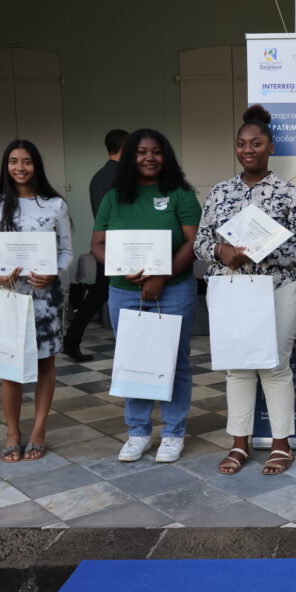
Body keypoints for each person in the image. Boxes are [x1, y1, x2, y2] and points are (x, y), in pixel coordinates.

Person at [195, 105, 296, 475]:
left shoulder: (288, 194)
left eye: (256, 143)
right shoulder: (219, 193)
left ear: (270, 148)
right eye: (241, 144)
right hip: (232, 291)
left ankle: (281, 445)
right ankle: (239, 444)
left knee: (275, 367)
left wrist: (266, 251)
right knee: (238, 368)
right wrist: (222, 251)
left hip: (276, 290)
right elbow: (200, 242)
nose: (248, 150)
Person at [91, 129, 201, 464]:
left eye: (156, 151)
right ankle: (138, 432)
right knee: (133, 361)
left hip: (174, 289)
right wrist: (121, 266)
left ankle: (173, 432)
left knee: (175, 361)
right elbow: (97, 245)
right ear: (129, 157)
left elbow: (194, 243)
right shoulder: (114, 197)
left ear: (166, 156)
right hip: (124, 292)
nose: (149, 158)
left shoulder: (180, 194)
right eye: (141, 152)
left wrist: (161, 276)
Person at [0, 140, 72, 462]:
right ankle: (13, 433)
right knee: (9, 366)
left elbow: (66, 251)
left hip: (46, 299)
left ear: (36, 165)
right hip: (9, 297)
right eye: (14, 161)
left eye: (27, 161)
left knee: (45, 363)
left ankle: (39, 431)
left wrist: (54, 273)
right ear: (6, 166)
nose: (20, 167)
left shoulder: (54, 205)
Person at [63, 128, 128, 363]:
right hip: (118, 246)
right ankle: (71, 341)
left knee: (99, 292)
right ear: (125, 148)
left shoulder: (98, 176)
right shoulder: (121, 177)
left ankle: (71, 341)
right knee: (100, 293)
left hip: (106, 244)